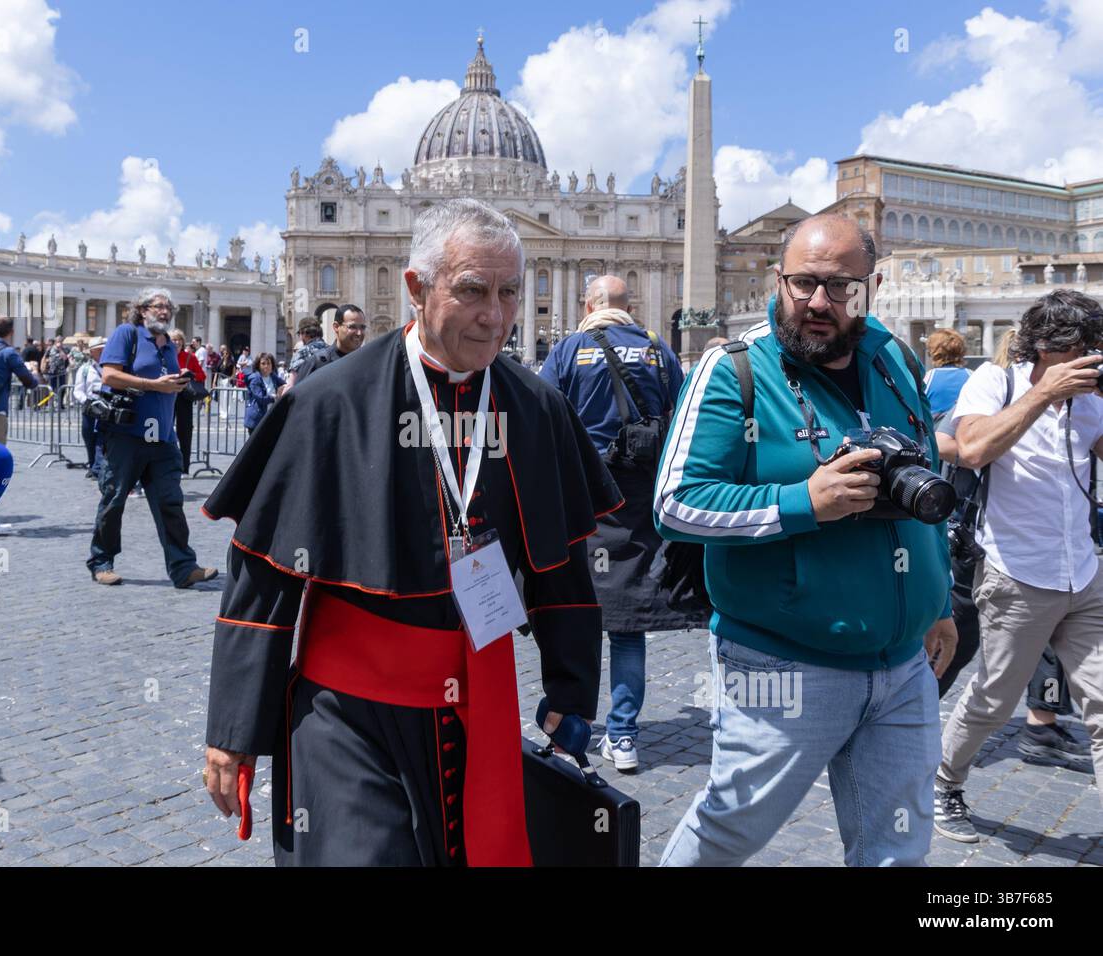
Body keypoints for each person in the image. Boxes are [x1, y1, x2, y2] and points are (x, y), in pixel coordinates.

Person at [201, 198, 622, 866]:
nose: (496, 316)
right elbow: (264, 574)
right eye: (473, 291)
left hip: (475, 700)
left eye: (511, 293)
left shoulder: (538, 407)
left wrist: (571, 692)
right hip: (346, 709)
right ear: (417, 288)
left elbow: (562, 565)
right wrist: (233, 729)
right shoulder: (331, 400)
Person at [652, 213, 955, 867]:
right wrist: (802, 504)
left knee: (898, 847)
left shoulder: (898, 359)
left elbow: (923, 483)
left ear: (870, 286)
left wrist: (944, 602)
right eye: (804, 283)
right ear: (778, 278)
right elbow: (676, 504)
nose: (819, 302)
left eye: (840, 287)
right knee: (730, 830)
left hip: (904, 666)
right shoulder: (734, 370)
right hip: (782, 664)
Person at [933, 291, 1103, 842]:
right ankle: (943, 783)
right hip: (1017, 572)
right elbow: (974, 447)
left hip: (1083, 568)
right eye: (1075, 351)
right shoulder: (996, 380)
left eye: (1091, 349)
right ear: (1042, 348)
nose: (1085, 360)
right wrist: (1042, 394)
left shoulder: (1092, 397)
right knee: (993, 698)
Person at [540, 275, 698, 772]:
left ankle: (568, 728)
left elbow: (542, 417)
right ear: (630, 307)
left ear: (589, 305)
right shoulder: (657, 349)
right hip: (638, 497)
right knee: (628, 623)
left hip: (581, 495)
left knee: (574, 612)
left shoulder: (568, 349)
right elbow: (683, 419)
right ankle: (624, 734)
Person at [86, 287, 217, 589]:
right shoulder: (126, 334)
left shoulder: (169, 345)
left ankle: (184, 567)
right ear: (142, 309)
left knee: (170, 502)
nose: (165, 311)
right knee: (114, 499)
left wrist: (179, 381)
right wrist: (153, 384)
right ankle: (101, 562)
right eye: (159, 306)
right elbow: (109, 376)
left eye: (169, 307)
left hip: (162, 437)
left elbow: (164, 383)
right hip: (126, 436)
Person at [923, 328, 970, 463]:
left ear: (933, 352)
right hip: (961, 449)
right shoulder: (973, 377)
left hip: (936, 451)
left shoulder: (928, 378)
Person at [295, 304, 367, 383]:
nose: (359, 333)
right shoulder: (315, 364)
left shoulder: (371, 364)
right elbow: (298, 394)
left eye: (362, 327)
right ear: (336, 327)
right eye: (352, 327)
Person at [170, 328, 206, 474]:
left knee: (185, 432)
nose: (176, 342)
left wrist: (189, 373)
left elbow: (202, 375)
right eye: (173, 339)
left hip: (184, 397)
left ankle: (185, 466)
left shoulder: (190, 357)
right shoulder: (164, 355)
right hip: (167, 395)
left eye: (179, 339)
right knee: (163, 430)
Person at [73, 336, 107, 480]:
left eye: (103, 350)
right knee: (89, 437)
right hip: (90, 407)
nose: (102, 352)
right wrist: (86, 401)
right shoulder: (84, 369)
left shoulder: (111, 367)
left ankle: (97, 468)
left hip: (106, 407)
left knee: (102, 438)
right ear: (92, 352)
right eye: (99, 350)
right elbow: (77, 390)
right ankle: (92, 463)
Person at [243, 352, 282, 432]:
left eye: (269, 363)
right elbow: (261, 399)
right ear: (258, 365)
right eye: (263, 363)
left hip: (270, 417)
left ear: (272, 365)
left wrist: (283, 388)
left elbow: (285, 384)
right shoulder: (254, 379)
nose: (266, 366)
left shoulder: (273, 376)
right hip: (256, 419)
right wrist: (274, 397)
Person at [285, 316, 328, 388]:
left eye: (300, 334)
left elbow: (290, 385)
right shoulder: (329, 349)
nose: (300, 337)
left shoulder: (302, 352)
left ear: (305, 333)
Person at [44, 335, 71, 409]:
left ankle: (60, 403)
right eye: (58, 341)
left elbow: (65, 358)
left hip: (61, 372)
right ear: (55, 342)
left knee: (62, 388)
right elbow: (45, 357)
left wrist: (60, 350)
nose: (60, 343)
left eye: (61, 341)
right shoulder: (50, 349)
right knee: (51, 389)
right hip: (52, 372)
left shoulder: (65, 349)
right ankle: (50, 404)